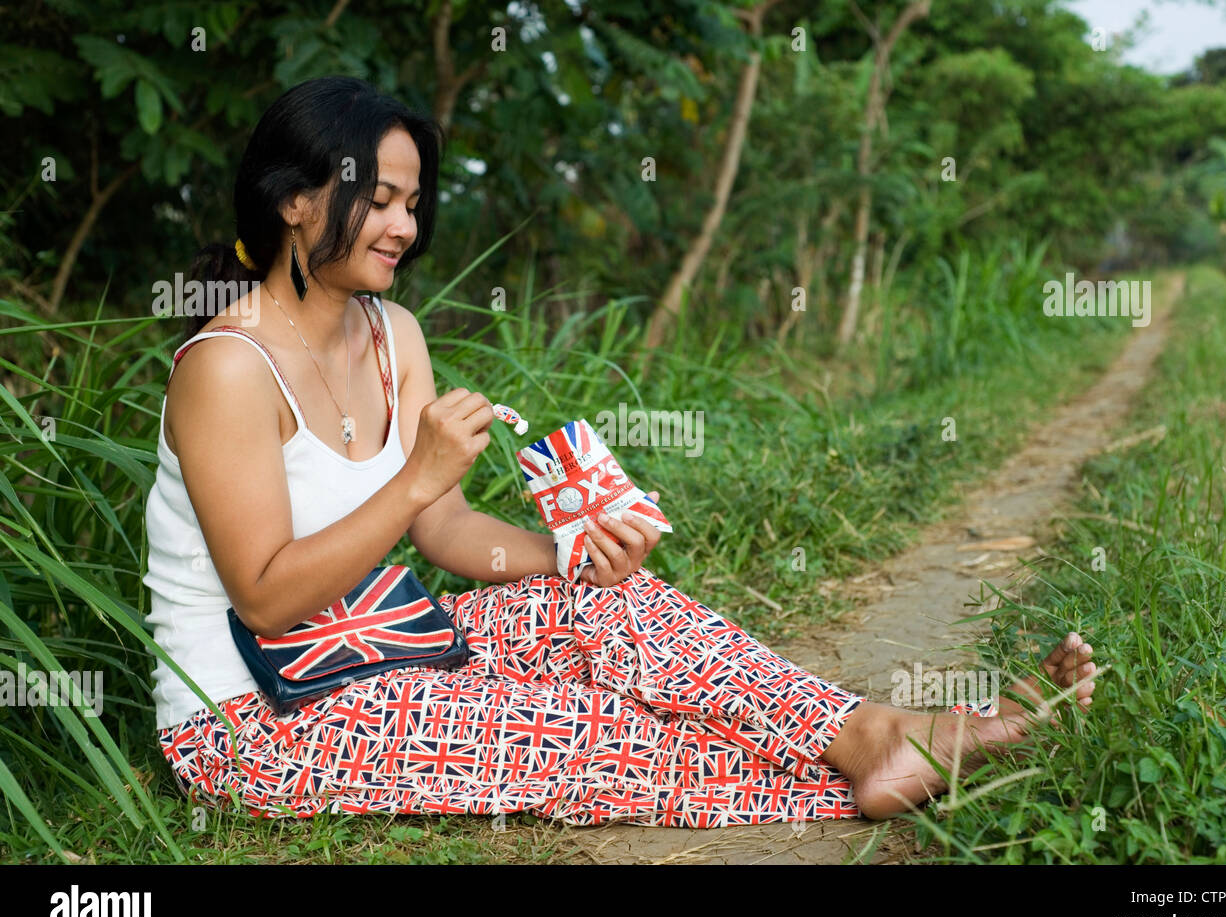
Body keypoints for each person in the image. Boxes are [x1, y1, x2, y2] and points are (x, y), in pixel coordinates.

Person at [146, 76, 1096, 828]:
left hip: (387, 652)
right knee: (586, 737)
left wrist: (571, 555)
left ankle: (875, 732)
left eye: (413, 202)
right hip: (253, 721)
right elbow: (266, 594)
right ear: (297, 203)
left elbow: (442, 527)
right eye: (380, 200)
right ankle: (899, 759)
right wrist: (416, 477)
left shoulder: (391, 332)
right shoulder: (226, 368)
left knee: (617, 607)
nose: (404, 226)